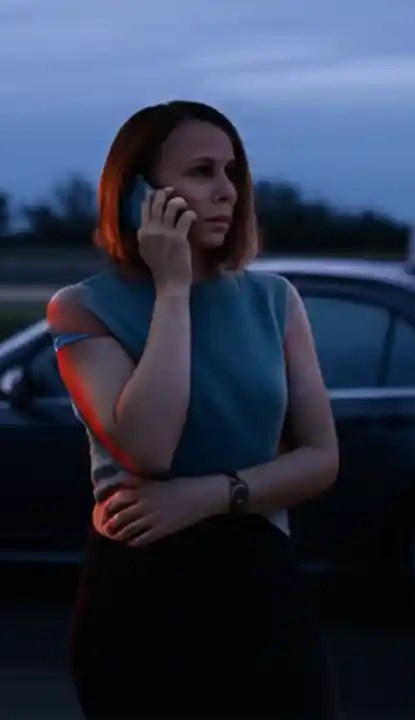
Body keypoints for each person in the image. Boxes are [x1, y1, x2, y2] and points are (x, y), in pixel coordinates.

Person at [47, 99, 343, 719]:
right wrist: (173, 290)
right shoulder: (82, 307)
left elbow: (321, 457)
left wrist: (207, 496)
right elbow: (148, 447)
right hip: (143, 589)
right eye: (202, 172)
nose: (226, 191)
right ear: (139, 195)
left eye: (232, 172)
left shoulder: (274, 300)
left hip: (257, 574)